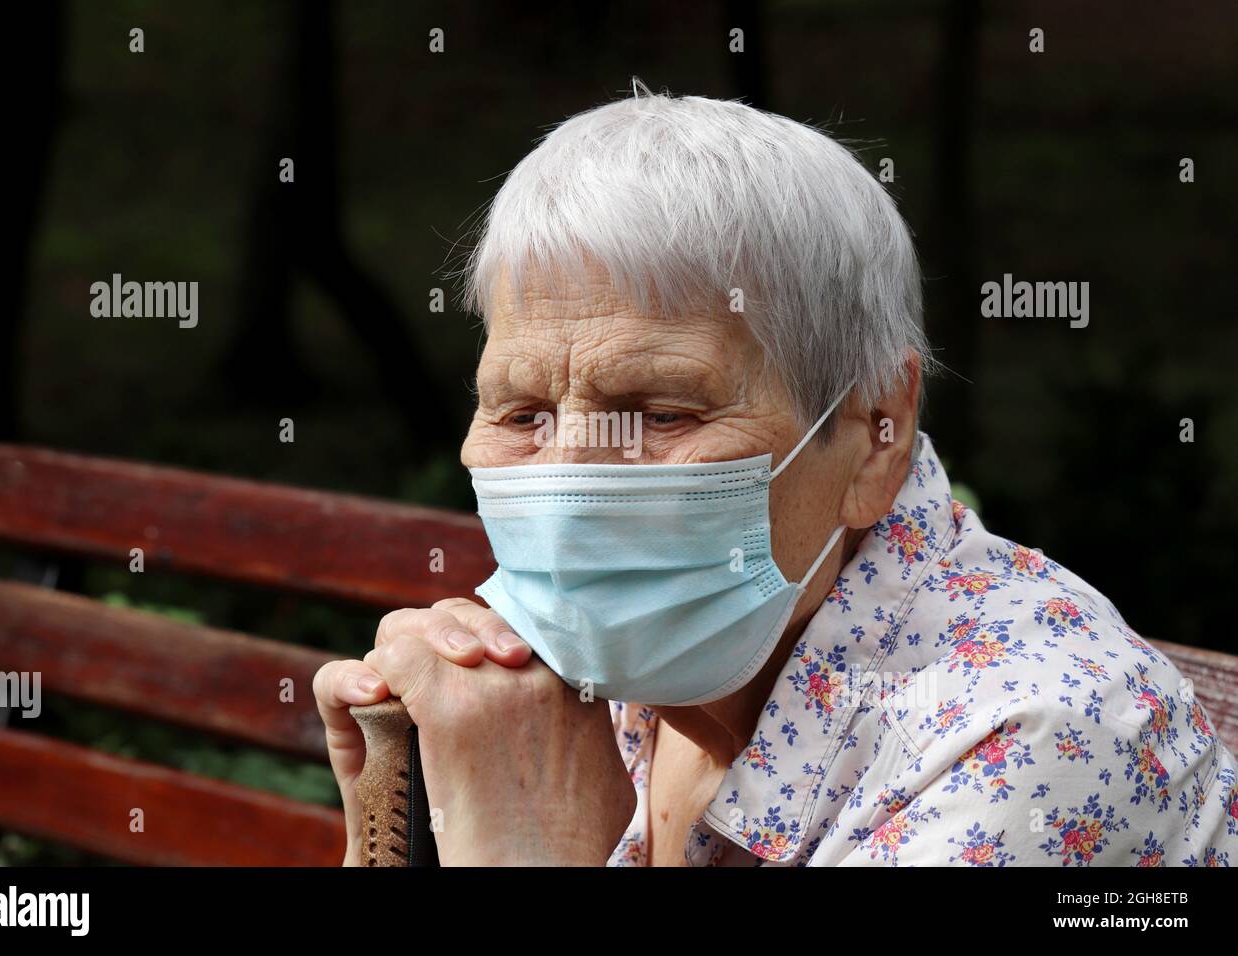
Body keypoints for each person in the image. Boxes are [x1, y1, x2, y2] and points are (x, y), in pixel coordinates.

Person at [314, 88, 1237, 866]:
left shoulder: (1036, 742)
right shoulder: (654, 649)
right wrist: (388, 834)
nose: (570, 495)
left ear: (879, 432)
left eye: (664, 412)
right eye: (522, 414)